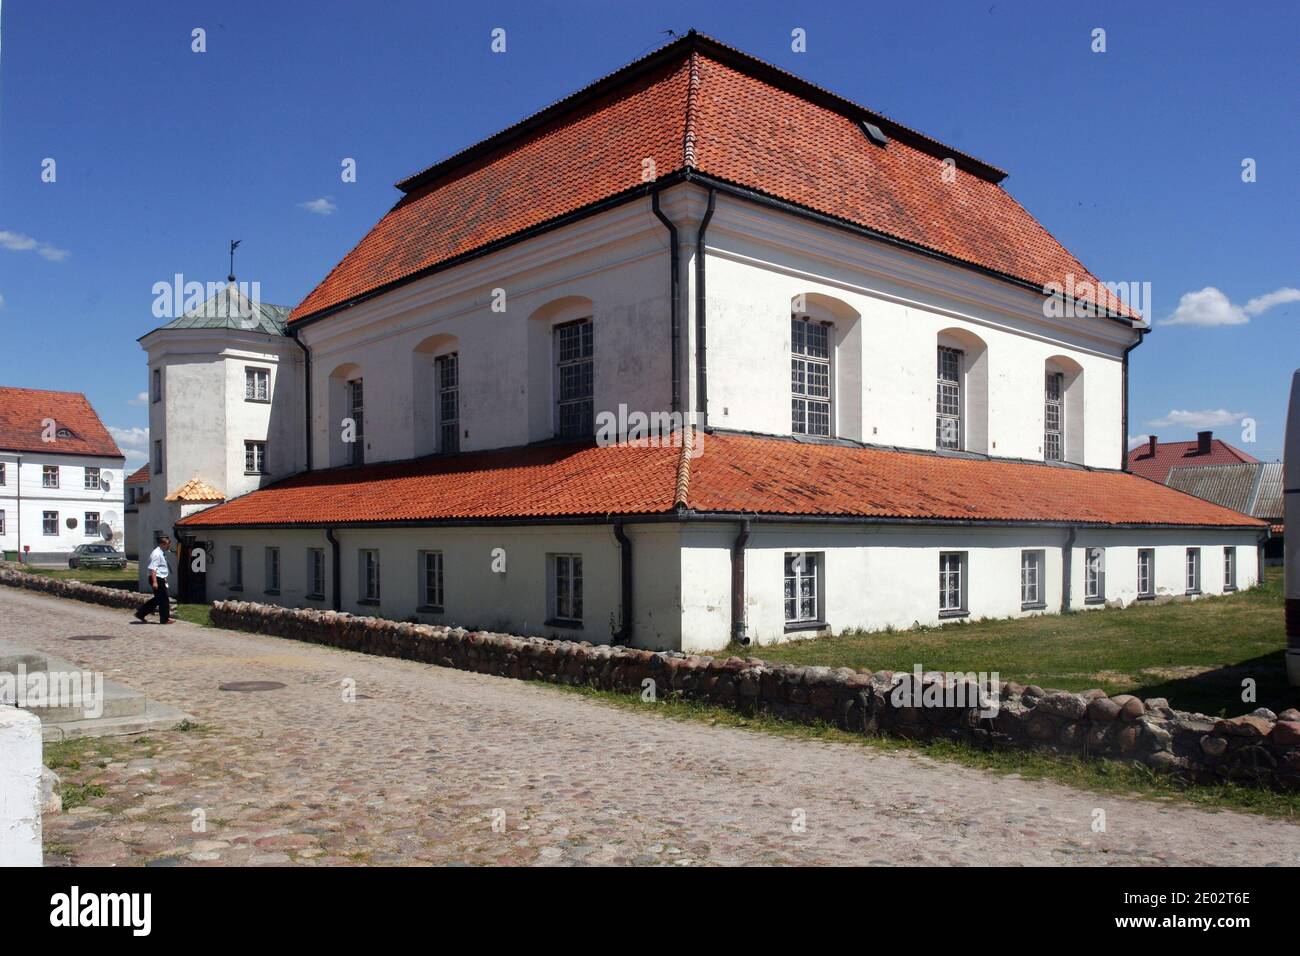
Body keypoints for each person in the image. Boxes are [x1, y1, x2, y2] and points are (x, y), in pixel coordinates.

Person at [135, 535, 174, 624]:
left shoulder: (161, 552)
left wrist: (164, 578)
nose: (169, 546)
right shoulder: (156, 554)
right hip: (156, 578)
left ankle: (141, 613)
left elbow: (161, 568)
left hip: (160, 578)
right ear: (162, 544)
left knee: (158, 599)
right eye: (167, 544)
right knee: (164, 599)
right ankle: (164, 619)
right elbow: (153, 568)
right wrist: (155, 582)